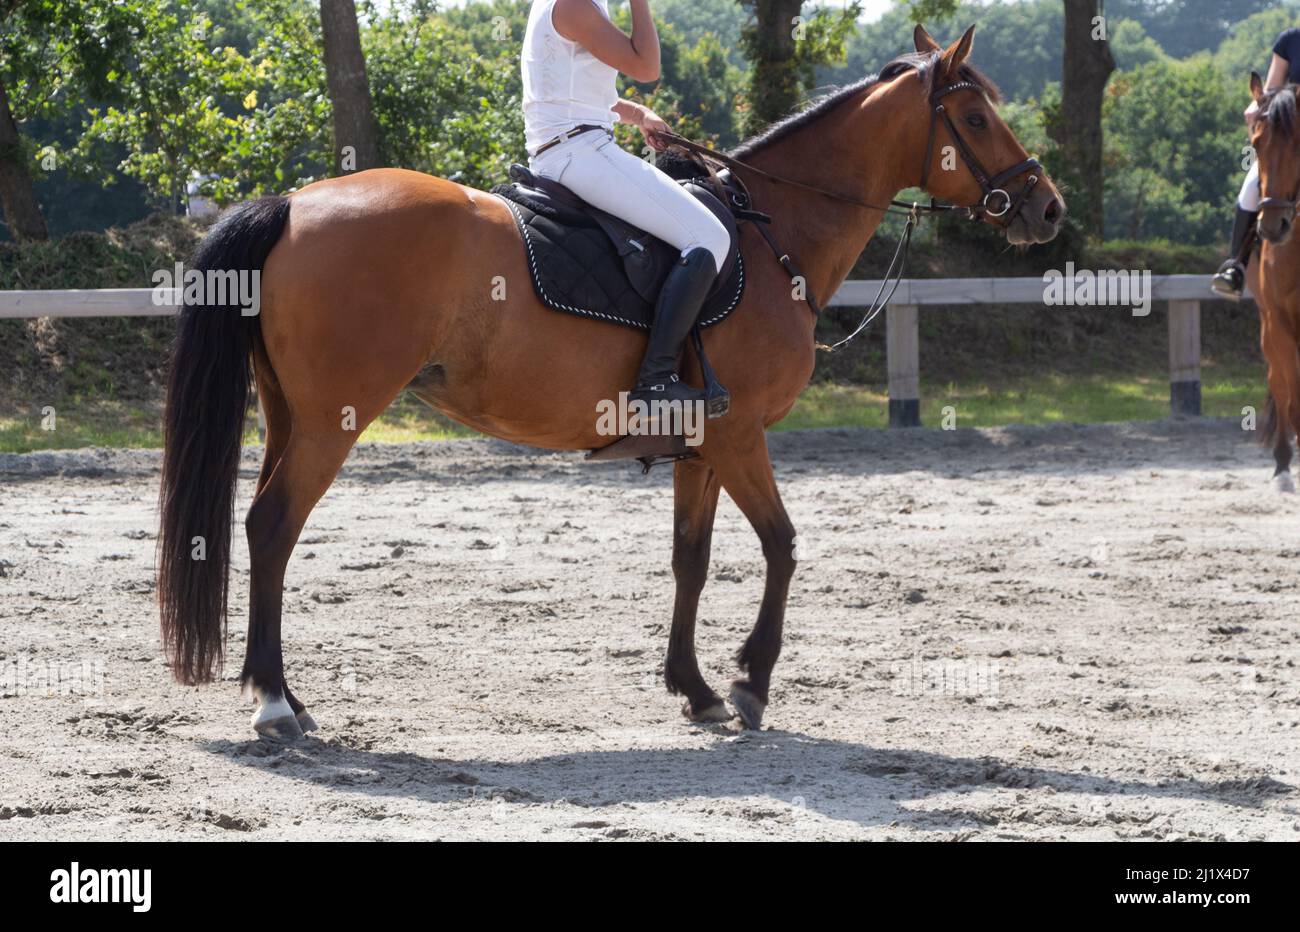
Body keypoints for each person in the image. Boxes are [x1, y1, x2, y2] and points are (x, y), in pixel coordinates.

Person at [520, 0, 731, 412]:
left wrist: (638, 114)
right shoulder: (575, 5)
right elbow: (648, 68)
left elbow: (573, 89)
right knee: (709, 238)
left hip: (573, 146)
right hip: (578, 152)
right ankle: (655, 381)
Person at [1212, 26, 1300, 300]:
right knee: (1251, 188)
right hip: (1291, 143)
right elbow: (1272, 91)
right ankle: (1235, 266)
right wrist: (1258, 107)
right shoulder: (1289, 40)